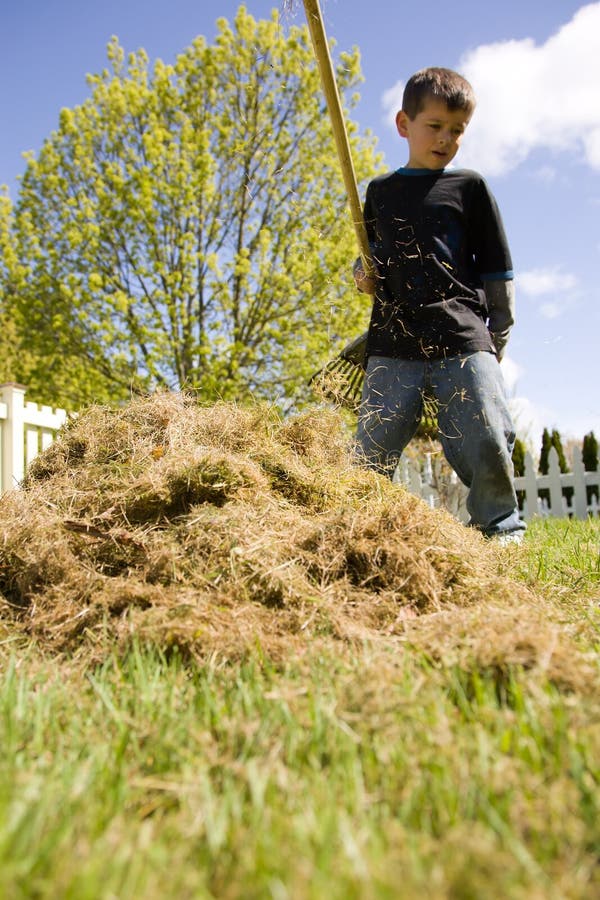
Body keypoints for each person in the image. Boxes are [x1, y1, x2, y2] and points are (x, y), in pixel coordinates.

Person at [353, 66, 525, 542]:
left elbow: (497, 267)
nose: (446, 138)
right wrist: (362, 275)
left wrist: (497, 337)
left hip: (461, 334)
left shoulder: (469, 188)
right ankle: (356, 529)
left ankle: (500, 528)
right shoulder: (379, 193)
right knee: (369, 449)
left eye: (457, 130)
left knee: (486, 435)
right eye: (435, 126)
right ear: (403, 124)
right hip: (395, 341)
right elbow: (371, 258)